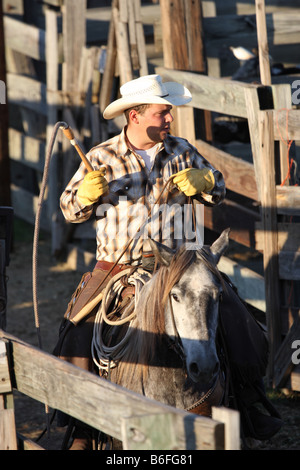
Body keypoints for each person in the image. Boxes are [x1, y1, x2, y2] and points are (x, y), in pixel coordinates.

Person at [56, 74, 282, 449]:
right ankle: (81, 424)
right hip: (117, 266)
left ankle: (246, 403)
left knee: (235, 319)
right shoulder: (100, 156)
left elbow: (220, 187)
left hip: (179, 264)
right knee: (75, 332)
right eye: (163, 113)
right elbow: (69, 210)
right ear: (135, 116)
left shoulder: (182, 151)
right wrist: (84, 195)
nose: (169, 119)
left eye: (169, 113)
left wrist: (207, 182)